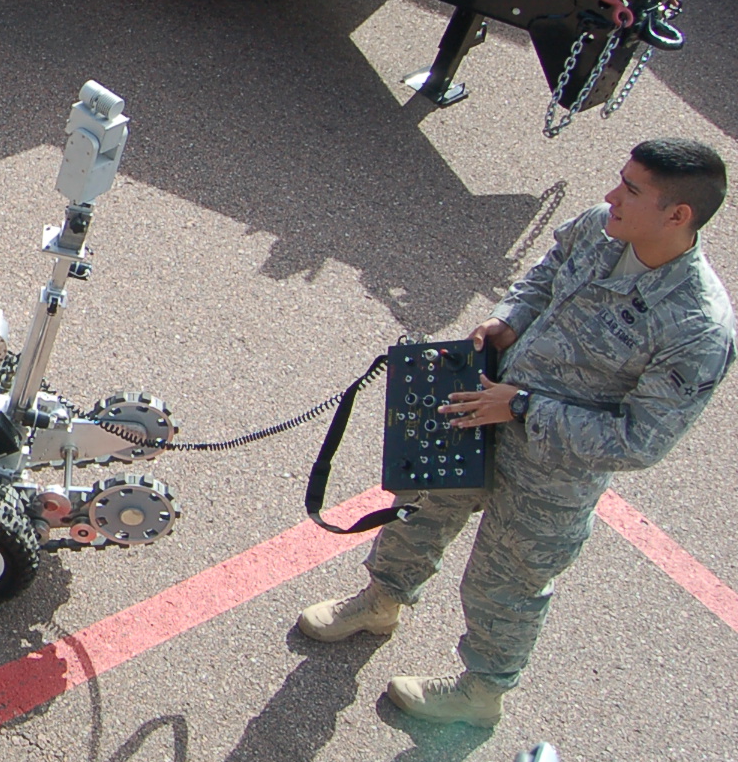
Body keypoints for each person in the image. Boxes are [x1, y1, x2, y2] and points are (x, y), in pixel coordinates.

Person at [298, 139, 734, 727]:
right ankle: (381, 602)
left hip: (550, 476)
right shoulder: (602, 228)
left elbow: (639, 441)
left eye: (631, 190)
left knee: (505, 586)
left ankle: (481, 693)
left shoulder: (698, 326)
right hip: (484, 412)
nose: (612, 196)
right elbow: (546, 273)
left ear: (678, 215)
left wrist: (524, 407)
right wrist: (509, 320)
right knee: (417, 513)